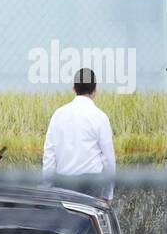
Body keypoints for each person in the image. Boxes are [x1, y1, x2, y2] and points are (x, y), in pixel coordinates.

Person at [43, 68, 116, 198]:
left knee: (65, 219)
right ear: (95, 90)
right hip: (92, 187)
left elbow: (49, 154)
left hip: (63, 184)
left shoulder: (58, 115)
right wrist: (108, 195)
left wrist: (46, 188)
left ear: (74, 88)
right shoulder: (100, 117)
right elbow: (108, 160)